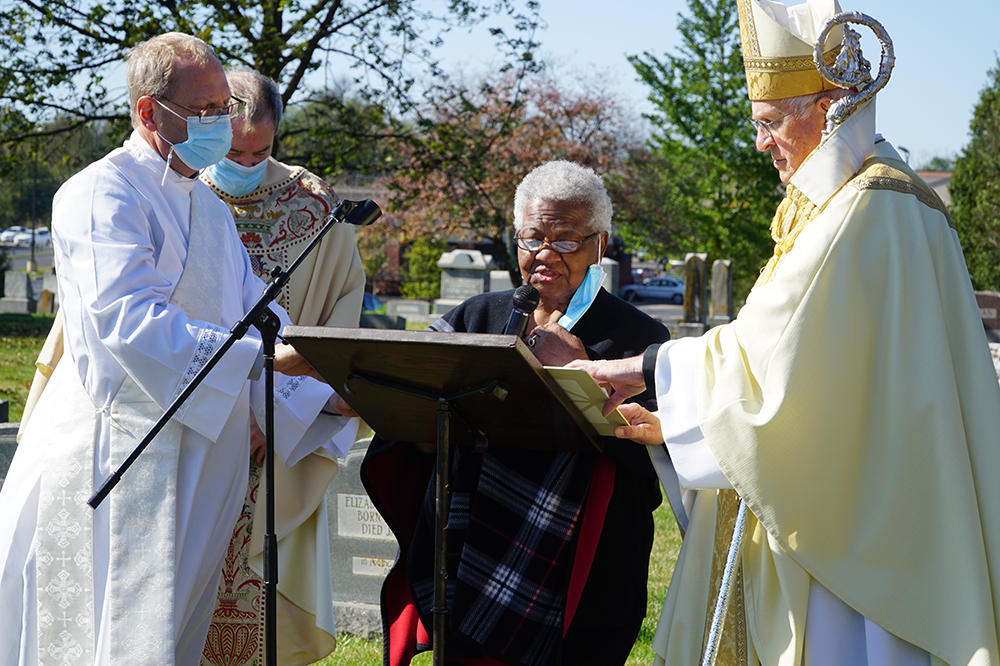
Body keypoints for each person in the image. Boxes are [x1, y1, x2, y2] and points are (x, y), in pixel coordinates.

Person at [571, 2, 1000, 665]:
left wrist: (639, 369)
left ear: (828, 109)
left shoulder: (865, 207)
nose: (761, 142)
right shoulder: (880, 197)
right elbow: (809, 370)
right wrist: (682, 414)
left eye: (770, 122)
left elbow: (766, 354)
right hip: (853, 487)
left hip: (854, 528)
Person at [0, 33, 352, 665]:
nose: (222, 123)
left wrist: (330, 387)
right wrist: (265, 359)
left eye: (224, 107)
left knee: (173, 639)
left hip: (202, 461)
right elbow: (129, 323)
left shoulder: (206, 207)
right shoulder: (102, 192)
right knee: (105, 637)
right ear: (148, 112)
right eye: (205, 110)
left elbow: (258, 316)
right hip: (121, 454)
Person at [360, 161, 670, 666]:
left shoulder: (637, 337)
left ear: (601, 244)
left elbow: (655, 450)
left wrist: (578, 371)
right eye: (531, 238)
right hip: (466, 547)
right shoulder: (478, 316)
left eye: (565, 240)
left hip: (574, 567)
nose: (545, 255)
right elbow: (410, 406)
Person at [198, 68, 366, 666]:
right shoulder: (180, 190)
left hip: (280, 422)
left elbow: (337, 316)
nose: (246, 163)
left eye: (260, 151)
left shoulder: (312, 204)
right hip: (191, 415)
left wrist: (276, 413)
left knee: (261, 579)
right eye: (233, 151)